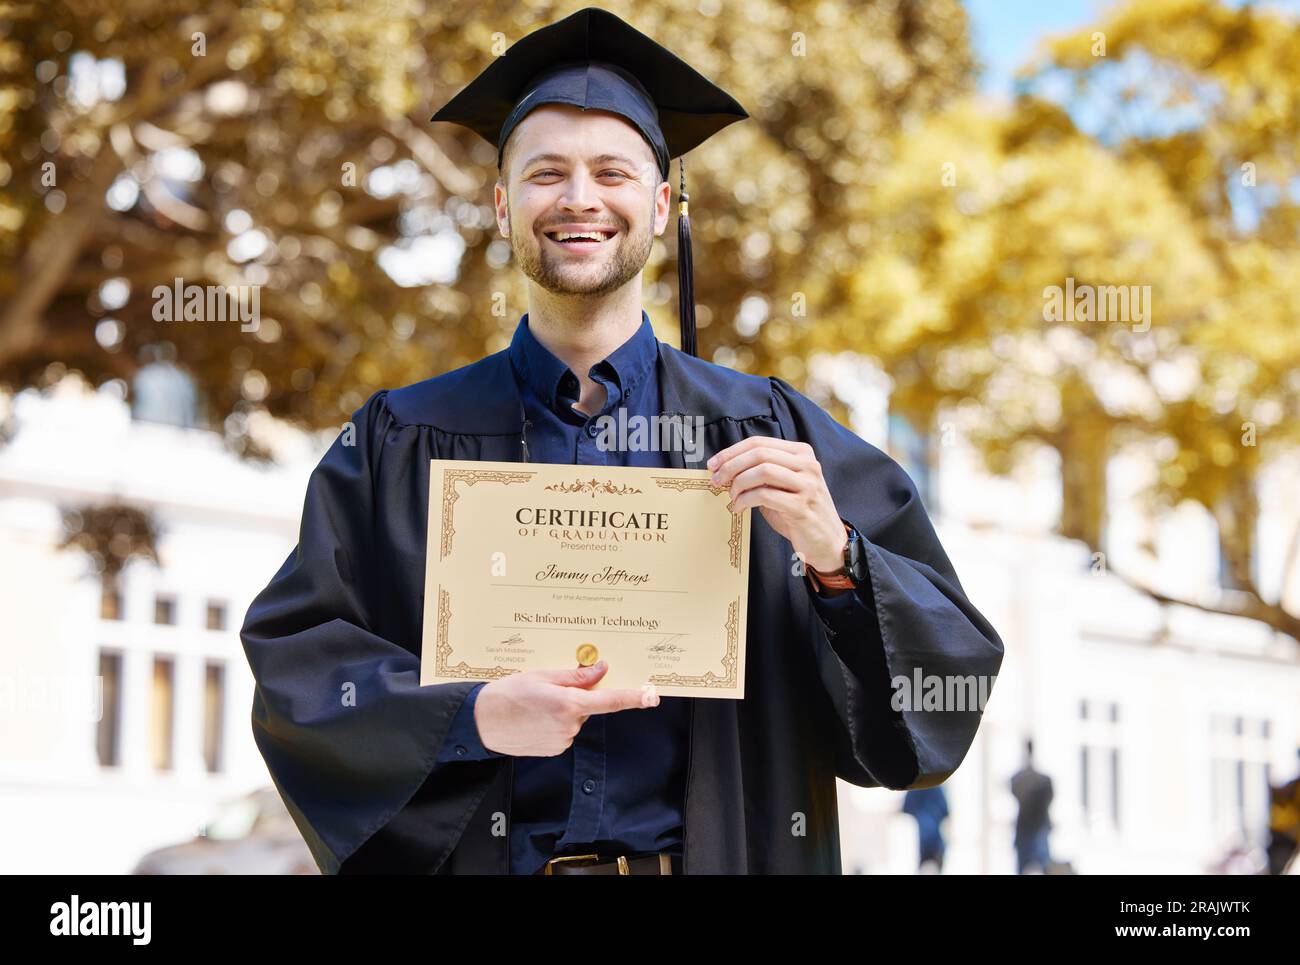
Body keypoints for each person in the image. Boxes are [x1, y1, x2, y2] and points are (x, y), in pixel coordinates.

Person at [240, 7, 1005, 875]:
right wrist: (472, 715)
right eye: (545, 174)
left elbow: (947, 687)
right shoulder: (402, 439)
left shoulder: (769, 433)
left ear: (661, 201)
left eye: (612, 171)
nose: (579, 198)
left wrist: (835, 558)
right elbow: (298, 664)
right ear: (502, 206)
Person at [1010, 739, 1053, 874]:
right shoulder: (1025, 779)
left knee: (1042, 864)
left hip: (1035, 829)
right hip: (1028, 830)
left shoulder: (1026, 779)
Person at [902, 786, 950, 873]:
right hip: (929, 843)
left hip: (928, 844)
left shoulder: (917, 787)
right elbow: (945, 811)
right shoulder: (936, 786)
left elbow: (906, 808)